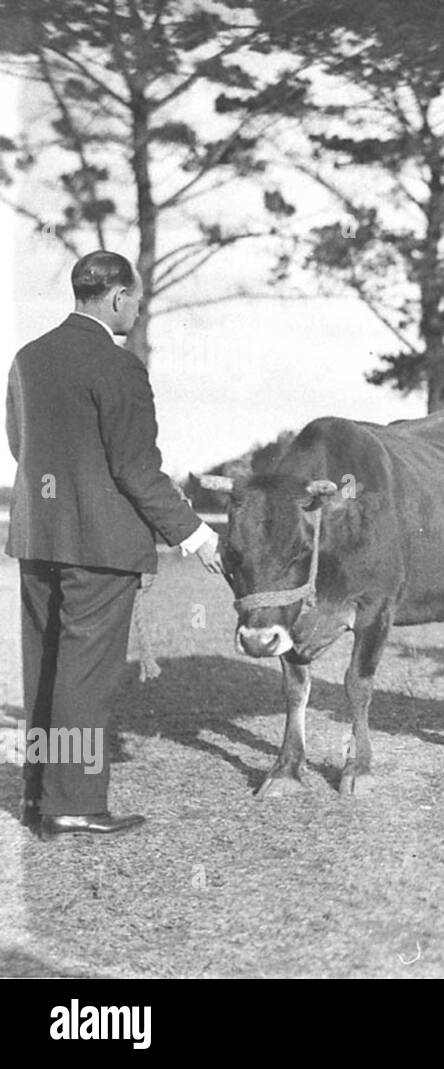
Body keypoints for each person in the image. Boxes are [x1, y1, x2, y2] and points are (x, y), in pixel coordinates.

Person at [6, 251, 222, 839]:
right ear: (118, 297)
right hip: (97, 549)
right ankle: (72, 804)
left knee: (46, 670)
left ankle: (40, 799)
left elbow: (22, 446)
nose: (139, 307)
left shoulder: (28, 358)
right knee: (84, 677)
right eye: (138, 297)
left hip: (36, 537)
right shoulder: (119, 367)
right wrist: (196, 534)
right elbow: (136, 469)